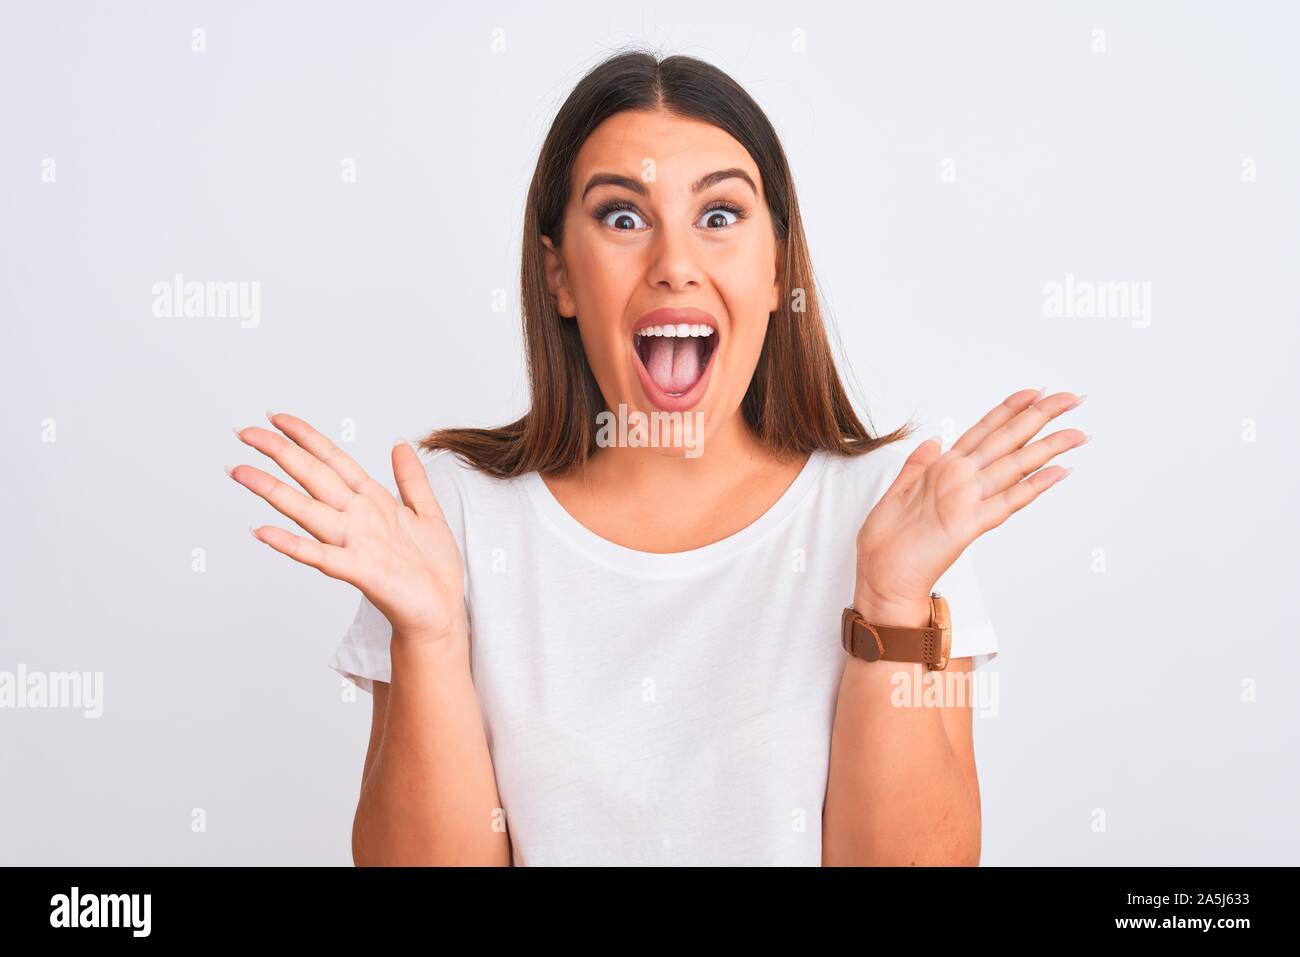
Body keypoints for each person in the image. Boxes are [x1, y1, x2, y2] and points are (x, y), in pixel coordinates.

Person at [227, 49, 1088, 866]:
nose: (676, 263)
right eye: (622, 216)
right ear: (558, 275)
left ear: (775, 260)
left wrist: (893, 603)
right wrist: (431, 636)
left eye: (719, 216)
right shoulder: (449, 519)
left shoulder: (891, 515)